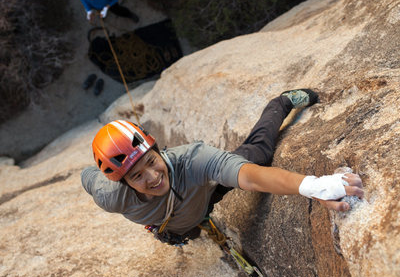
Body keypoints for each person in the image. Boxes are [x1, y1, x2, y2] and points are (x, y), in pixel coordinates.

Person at [81, 89, 364, 245]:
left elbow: (250, 178)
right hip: (177, 223)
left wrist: (310, 185)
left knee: (259, 154)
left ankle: (282, 102)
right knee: (188, 232)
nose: (154, 177)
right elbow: (87, 176)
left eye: (152, 161)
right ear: (122, 182)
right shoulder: (110, 196)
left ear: (158, 150)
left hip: (205, 192)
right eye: (137, 176)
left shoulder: (192, 161)